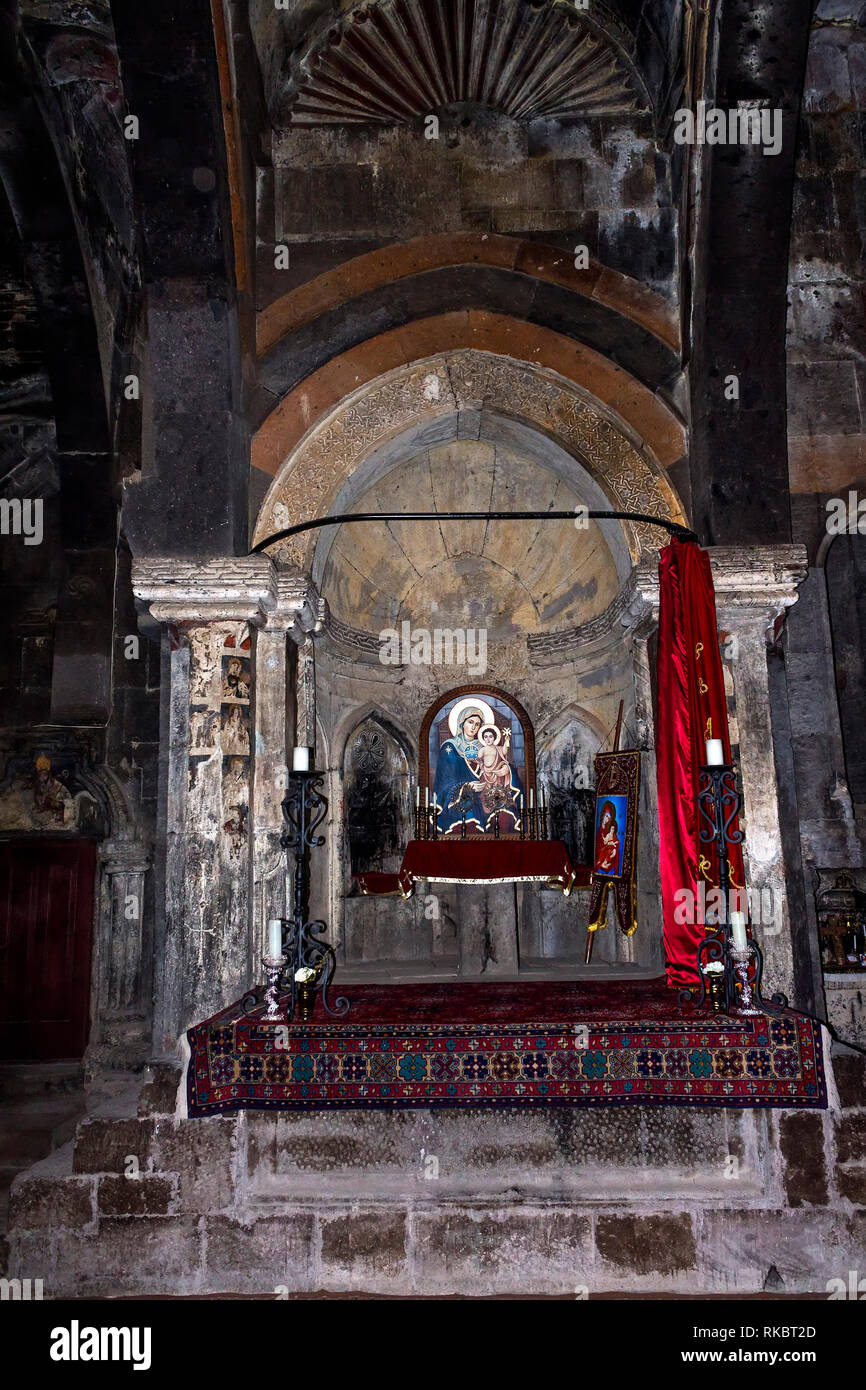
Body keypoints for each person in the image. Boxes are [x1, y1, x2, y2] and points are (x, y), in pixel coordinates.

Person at [594, 800, 621, 875]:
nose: (607, 819)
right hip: (601, 853)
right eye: (606, 816)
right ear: (603, 815)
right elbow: (599, 846)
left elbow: (615, 840)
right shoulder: (599, 830)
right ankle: (602, 864)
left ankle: (604, 863)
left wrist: (614, 848)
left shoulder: (608, 830)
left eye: (609, 818)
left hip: (608, 853)